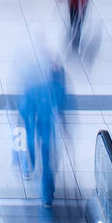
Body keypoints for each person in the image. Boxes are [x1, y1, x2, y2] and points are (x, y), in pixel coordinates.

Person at [19, 58, 68, 212]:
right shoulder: (58, 89)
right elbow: (61, 110)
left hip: (32, 120)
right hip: (46, 125)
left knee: (30, 145)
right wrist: (65, 128)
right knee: (47, 159)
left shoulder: (35, 87)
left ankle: (28, 167)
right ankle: (47, 195)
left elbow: (24, 108)